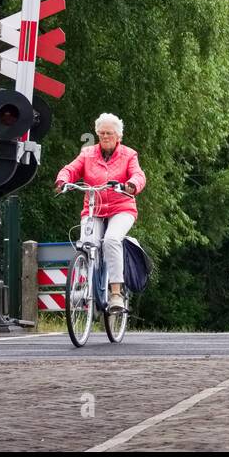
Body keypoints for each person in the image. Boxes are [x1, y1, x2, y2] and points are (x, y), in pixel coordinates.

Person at [54, 113, 146, 314]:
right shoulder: (87, 154)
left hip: (121, 208)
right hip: (93, 208)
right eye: (101, 133)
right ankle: (81, 286)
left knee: (111, 240)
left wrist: (131, 185)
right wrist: (63, 180)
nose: (105, 137)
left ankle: (116, 294)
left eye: (109, 133)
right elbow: (71, 169)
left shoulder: (129, 155)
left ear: (118, 136)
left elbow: (138, 175)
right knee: (86, 245)